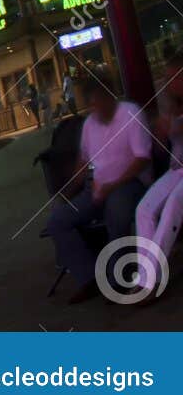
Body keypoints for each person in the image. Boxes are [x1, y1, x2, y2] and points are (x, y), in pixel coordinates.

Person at [44, 73, 154, 303]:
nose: (94, 108)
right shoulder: (90, 124)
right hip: (96, 188)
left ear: (109, 97)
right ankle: (89, 277)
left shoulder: (130, 114)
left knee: (117, 210)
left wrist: (112, 185)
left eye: (97, 102)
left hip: (129, 183)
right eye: (90, 104)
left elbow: (142, 158)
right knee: (58, 221)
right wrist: (72, 185)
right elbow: (84, 160)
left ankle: (117, 279)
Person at [134, 60, 183, 301]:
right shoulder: (168, 103)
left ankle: (149, 281)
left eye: (175, 78)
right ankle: (147, 273)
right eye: (168, 78)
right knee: (144, 209)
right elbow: (165, 142)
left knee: (174, 204)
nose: (170, 83)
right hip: (177, 168)